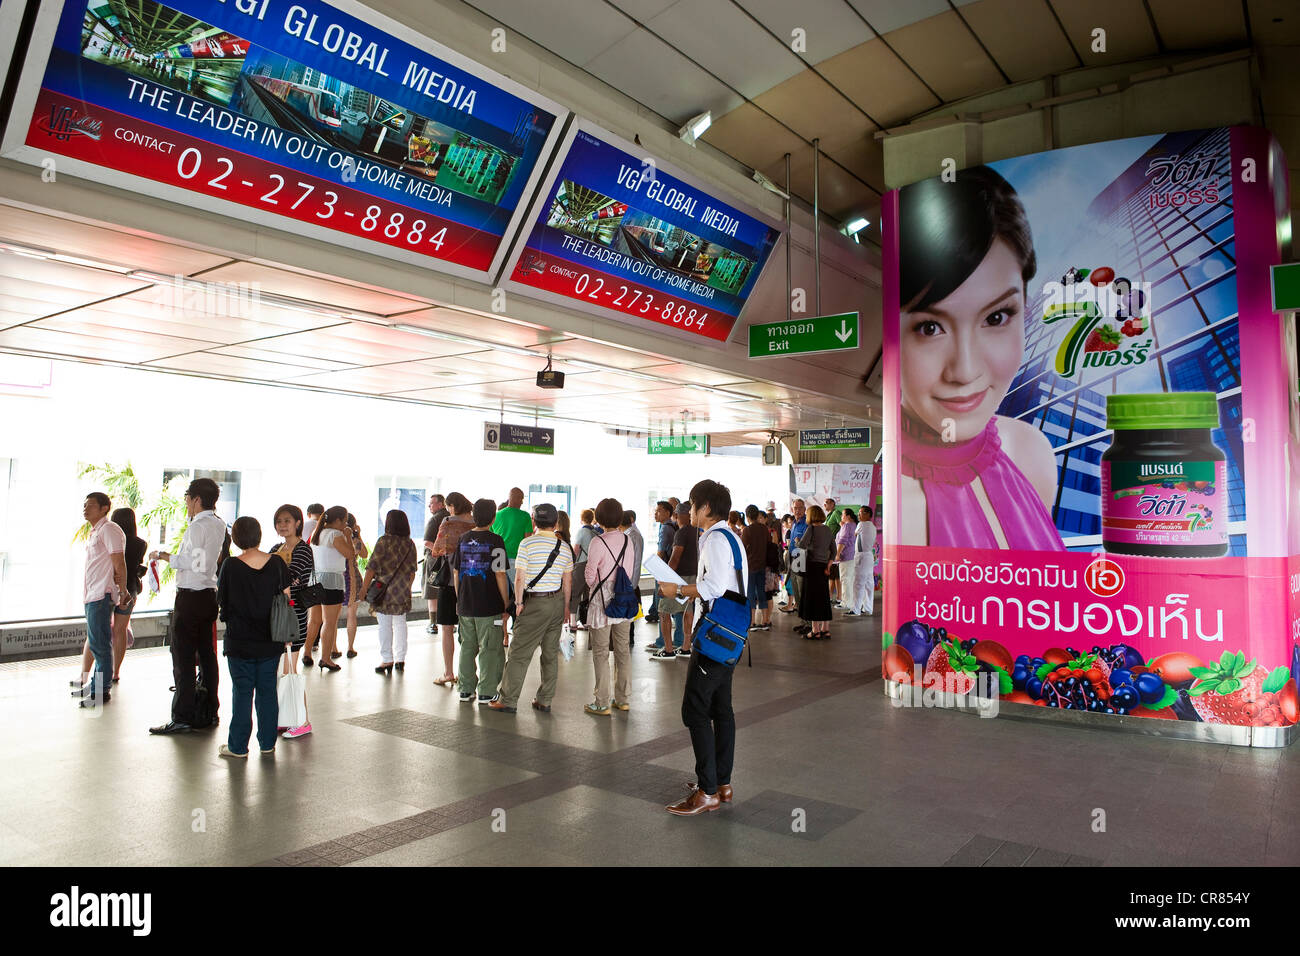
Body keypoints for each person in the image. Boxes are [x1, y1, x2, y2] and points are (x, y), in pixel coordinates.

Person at [899, 165, 1062, 550]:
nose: (966, 370)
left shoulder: (1032, 453)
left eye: (997, 317)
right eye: (929, 327)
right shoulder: (894, 503)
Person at [662, 479, 747, 816]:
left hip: (712, 636)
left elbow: (713, 586)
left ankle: (707, 791)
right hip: (732, 634)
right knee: (721, 709)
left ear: (707, 508)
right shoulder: (733, 536)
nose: (690, 510)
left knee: (694, 710)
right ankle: (721, 782)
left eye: (693, 504)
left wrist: (678, 591)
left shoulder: (713, 539)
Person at [149, 478, 226, 733]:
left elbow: (191, 562)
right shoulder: (219, 524)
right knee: (207, 655)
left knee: (182, 656)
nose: (186, 504)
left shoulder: (197, 527)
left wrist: (162, 555)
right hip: (208, 595)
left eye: (187, 499)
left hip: (190, 596)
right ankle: (209, 710)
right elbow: (206, 563)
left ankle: (182, 716)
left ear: (195, 499)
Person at [489, 503, 574, 714]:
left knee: (519, 652)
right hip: (556, 602)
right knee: (550, 654)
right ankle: (544, 700)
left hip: (535, 603)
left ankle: (508, 700)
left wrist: (518, 603)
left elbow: (519, 577)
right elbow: (568, 582)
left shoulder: (527, 544)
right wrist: (565, 608)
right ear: (555, 523)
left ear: (534, 521)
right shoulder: (564, 547)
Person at [217, 516, 290, 758]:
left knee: (242, 692)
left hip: (239, 641)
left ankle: (238, 747)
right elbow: (286, 599)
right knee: (268, 691)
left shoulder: (230, 565)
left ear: (236, 538)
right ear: (258, 535)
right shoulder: (277, 564)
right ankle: (267, 743)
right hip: (271, 640)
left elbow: (223, 604)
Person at [72, 507, 145, 689]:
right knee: (119, 631)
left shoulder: (108, 535)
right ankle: (115, 672)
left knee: (96, 635)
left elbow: (115, 563)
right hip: (130, 589)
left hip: (108, 588)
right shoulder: (140, 543)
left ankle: (85, 676)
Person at [72, 493, 129, 708]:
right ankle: (95, 686)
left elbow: (119, 562)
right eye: (84, 504)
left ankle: (101, 692)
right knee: (97, 643)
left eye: (91, 505)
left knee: (101, 646)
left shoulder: (109, 529)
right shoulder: (97, 530)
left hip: (101, 595)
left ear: (105, 508)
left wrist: (122, 591)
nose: (85, 508)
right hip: (92, 594)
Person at [583, 498, 639, 715]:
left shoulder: (598, 542)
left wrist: (596, 586)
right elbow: (631, 569)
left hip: (602, 600)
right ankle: (623, 699)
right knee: (623, 650)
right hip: (624, 598)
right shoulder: (628, 540)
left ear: (599, 517)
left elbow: (589, 574)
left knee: (600, 652)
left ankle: (602, 701)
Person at [452, 498, 509, 704]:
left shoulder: (463, 538)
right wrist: (505, 602)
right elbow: (500, 574)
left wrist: (460, 599)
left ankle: (465, 690)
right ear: (493, 518)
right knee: (490, 648)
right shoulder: (496, 541)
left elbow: (456, 572)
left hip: (466, 603)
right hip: (489, 604)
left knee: (467, 646)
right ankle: (486, 691)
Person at [272, 504, 314, 738]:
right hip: (277, 614)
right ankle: (288, 717)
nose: (282, 525)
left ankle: (303, 720)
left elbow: (293, 577)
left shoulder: (303, 550)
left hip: (294, 614)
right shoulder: (276, 548)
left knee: (291, 669)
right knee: (283, 669)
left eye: (287, 520)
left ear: (298, 522)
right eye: (279, 521)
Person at [363, 509, 418, 674]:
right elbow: (412, 571)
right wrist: (406, 588)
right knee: (400, 623)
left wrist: (363, 589)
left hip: (383, 589)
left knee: (384, 625)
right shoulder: (410, 544)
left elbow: (371, 567)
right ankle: (401, 659)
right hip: (402, 588)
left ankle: (387, 659)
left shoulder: (384, 541)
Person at [431, 492, 474, 686]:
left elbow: (438, 549)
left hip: (450, 580)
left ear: (452, 506)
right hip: (472, 582)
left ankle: (448, 672)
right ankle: (469, 673)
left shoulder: (447, 522)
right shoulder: (475, 523)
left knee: (447, 628)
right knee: (470, 630)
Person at [307, 506, 355, 673]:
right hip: (332, 581)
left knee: (314, 620)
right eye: (345, 520)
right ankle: (325, 658)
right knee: (330, 622)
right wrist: (348, 537)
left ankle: (307, 652)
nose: (346, 524)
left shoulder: (317, 533)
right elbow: (350, 554)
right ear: (337, 520)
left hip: (316, 579)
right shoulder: (336, 535)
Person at [651, 501, 697, 661]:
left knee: (664, 611)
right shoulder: (697, 531)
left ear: (681, 515)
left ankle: (668, 649)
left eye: (676, 513)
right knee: (687, 610)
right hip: (693, 576)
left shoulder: (682, 533)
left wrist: (664, 579)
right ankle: (685, 647)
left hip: (679, 577)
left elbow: (675, 557)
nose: (674, 516)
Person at [797, 505, 835, 639]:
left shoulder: (811, 529)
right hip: (824, 568)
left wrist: (797, 542)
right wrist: (828, 566)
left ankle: (815, 630)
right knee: (824, 598)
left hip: (812, 567)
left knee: (812, 599)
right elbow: (834, 551)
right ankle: (826, 629)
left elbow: (801, 545)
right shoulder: (828, 529)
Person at [490, 487, 532, 603]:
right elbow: (527, 540)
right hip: (517, 558)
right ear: (516, 498)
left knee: (501, 595)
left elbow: (491, 537)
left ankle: (501, 620)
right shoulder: (525, 516)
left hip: (498, 557)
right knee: (518, 596)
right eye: (521, 499)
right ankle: (516, 619)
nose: (522, 502)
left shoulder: (497, 515)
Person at [643, 500, 673, 639]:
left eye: (659, 510)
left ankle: (663, 641)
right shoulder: (668, 526)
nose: (655, 513)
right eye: (655, 510)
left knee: (663, 607)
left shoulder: (666, 528)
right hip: (668, 569)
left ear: (668, 513)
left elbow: (661, 553)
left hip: (663, 570)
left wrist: (656, 569)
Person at [341, 513, 368, 659]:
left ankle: (333, 648)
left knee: (332, 617)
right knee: (352, 615)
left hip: (338, 576)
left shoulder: (336, 538)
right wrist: (359, 535)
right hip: (354, 578)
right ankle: (350, 647)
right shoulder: (354, 539)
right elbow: (364, 554)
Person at [422, 494, 449, 634]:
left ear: (440, 504)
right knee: (447, 590)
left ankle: (433, 624)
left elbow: (427, 542)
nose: (429, 506)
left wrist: (439, 551)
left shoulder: (435, 519)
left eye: (431, 503)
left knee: (432, 591)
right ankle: (449, 621)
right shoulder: (451, 518)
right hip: (450, 561)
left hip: (434, 561)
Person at [741, 505, 770, 631]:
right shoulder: (764, 529)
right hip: (762, 565)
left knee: (751, 594)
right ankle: (765, 621)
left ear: (747, 517)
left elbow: (743, 548)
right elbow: (769, 543)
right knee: (762, 592)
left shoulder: (747, 530)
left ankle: (752, 622)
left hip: (750, 566)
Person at [620, 509, 645, 648]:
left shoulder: (632, 536)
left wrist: (632, 584)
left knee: (628, 613)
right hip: (628, 581)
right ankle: (626, 638)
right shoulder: (627, 534)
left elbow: (636, 562)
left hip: (629, 582)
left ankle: (628, 638)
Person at [570, 508, 598, 631]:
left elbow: (576, 550)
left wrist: (571, 565)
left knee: (575, 593)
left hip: (581, 565)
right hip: (593, 565)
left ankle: (573, 623)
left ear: (582, 519)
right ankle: (586, 621)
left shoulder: (581, 532)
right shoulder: (596, 533)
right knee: (588, 593)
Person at [854, 506, 878, 616]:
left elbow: (854, 534)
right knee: (869, 583)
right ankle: (868, 608)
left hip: (862, 556)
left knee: (859, 583)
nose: (859, 515)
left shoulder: (861, 525)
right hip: (868, 556)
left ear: (868, 514)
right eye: (858, 513)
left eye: (861, 513)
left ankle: (856, 609)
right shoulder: (872, 526)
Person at [788, 498, 808, 616]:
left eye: (800, 508)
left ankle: (807, 621)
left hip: (801, 557)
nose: (798, 510)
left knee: (802, 590)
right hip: (792, 557)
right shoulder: (794, 523)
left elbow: (806, 543)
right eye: (795, 508)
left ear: (805, 509)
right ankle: (802, 619)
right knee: (795, 589)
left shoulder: (806, 523)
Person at [836, 508, 858, 615]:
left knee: (845, 579)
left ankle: (845, 602)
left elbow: (842, 540)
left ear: (848, 516)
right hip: (854, 555)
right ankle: (851, 601)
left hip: (846, 556)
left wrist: (837, 553)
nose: (841, 517)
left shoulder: (847, 526)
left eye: (843, 515)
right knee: (851, 579)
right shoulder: (854, 525)